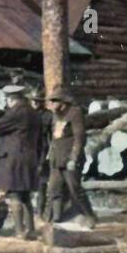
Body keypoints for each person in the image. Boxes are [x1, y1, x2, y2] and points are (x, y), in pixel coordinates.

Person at [0, 85, 41, 238]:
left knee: (14, 195)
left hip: (14, 159)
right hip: (28, 157)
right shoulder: (32, 112)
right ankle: (30, 231)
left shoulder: (16, 112)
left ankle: (19, 232)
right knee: (25, 196)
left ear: (10, 99)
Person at [45, 88, 96, 227]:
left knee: (75, 189)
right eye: (51, 100)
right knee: (54, 188)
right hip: (57, 158)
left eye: (54, 101)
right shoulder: (55, 115)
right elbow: (53, 137)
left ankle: (89, 216)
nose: (51, 104)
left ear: (62, 101)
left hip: (69, 159)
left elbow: (79, 138)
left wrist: (74, 158)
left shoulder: (74, 113)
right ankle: (56, 217)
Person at [30, 88, 52, 219]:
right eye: (34, 101)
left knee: (42, 183)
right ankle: (32, 209)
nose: (35, 104)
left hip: (42, 151)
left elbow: (51, 137)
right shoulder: (28, 114)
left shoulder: (48, 116)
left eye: (38, 101)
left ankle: (40, 210)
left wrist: (47, 155)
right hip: (29, 152)